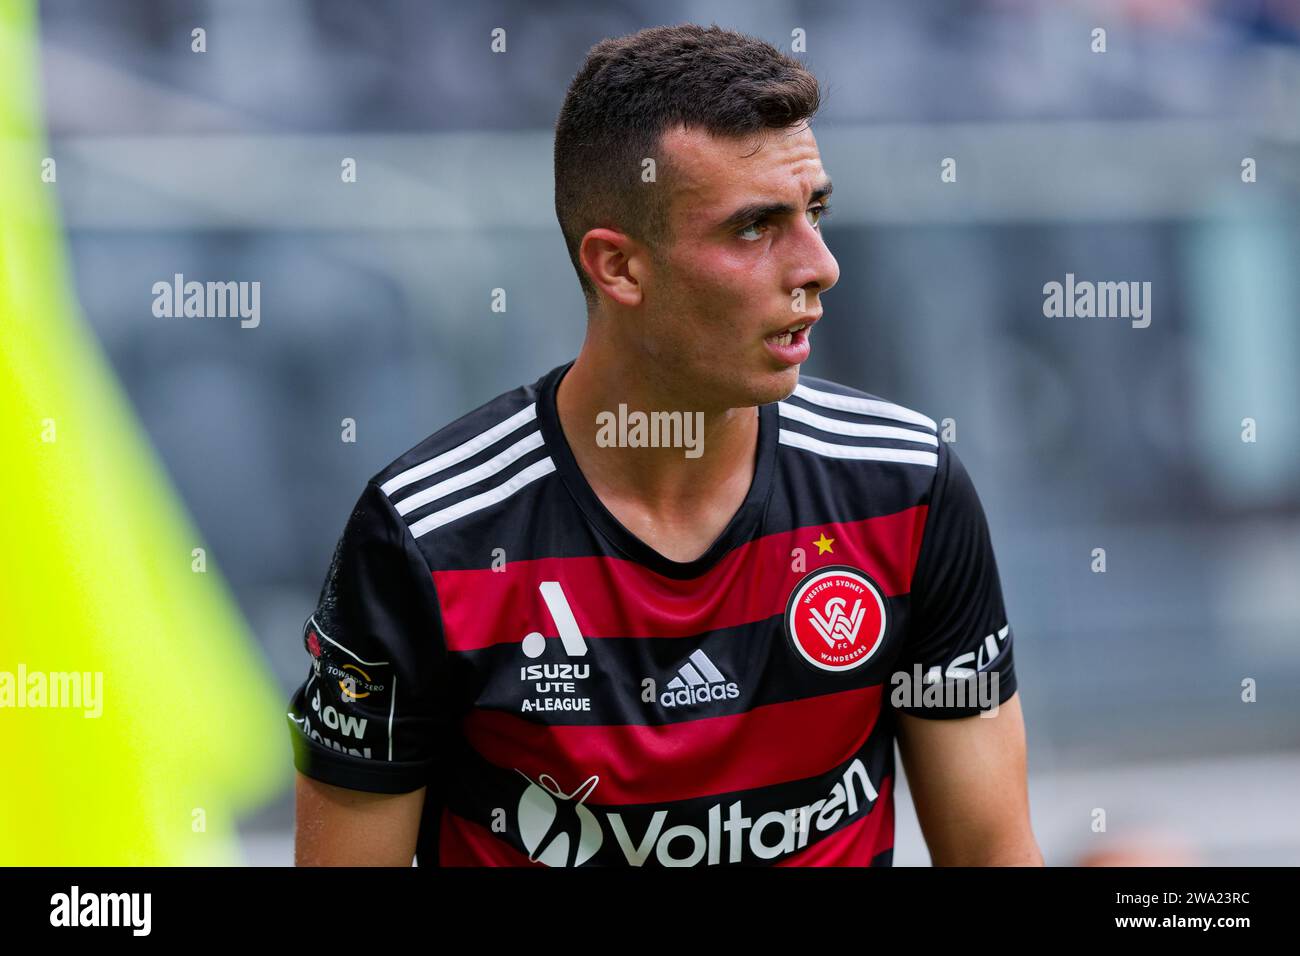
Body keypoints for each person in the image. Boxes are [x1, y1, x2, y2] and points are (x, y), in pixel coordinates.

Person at [287, 23, 1042, 867]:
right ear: (618, 268)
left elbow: (992, 854)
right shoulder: (427, 538)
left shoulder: (906, 489)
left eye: (815, 212)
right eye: (756, 227)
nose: (820, 265)